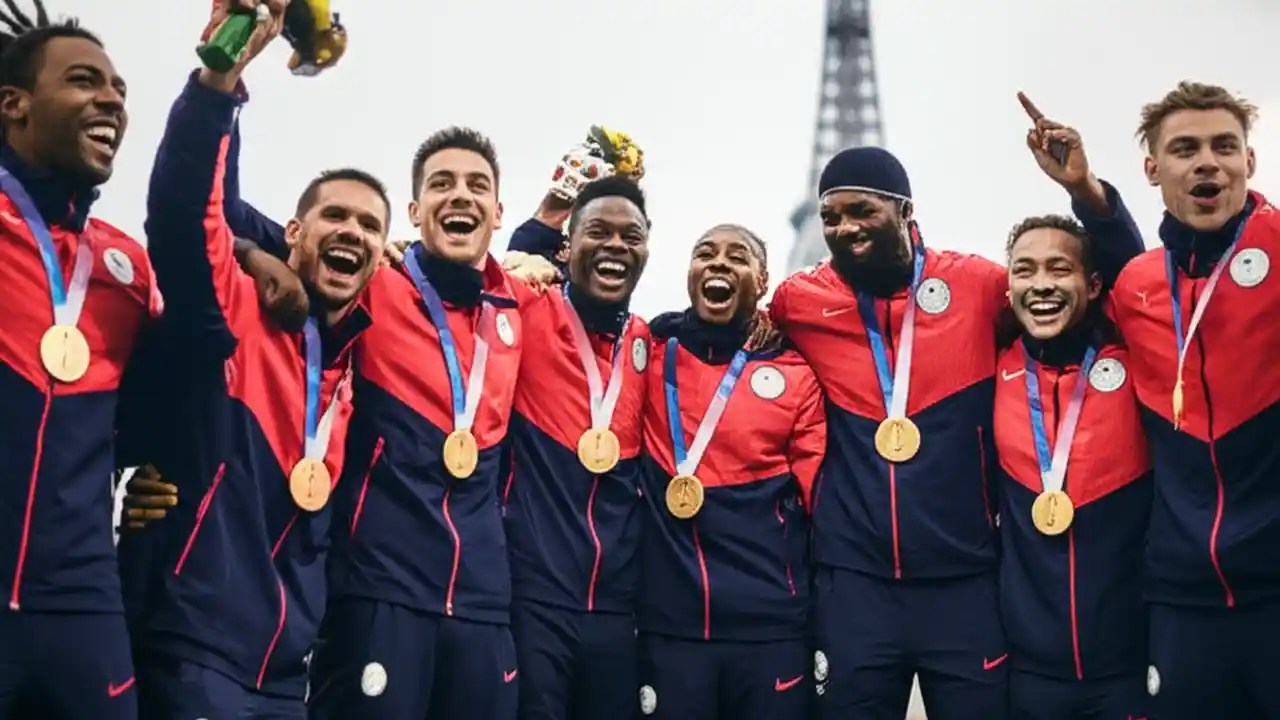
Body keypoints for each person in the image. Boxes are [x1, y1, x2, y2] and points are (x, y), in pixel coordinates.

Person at [766, 95, 1143, 718]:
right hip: (855, 585)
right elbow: (724, 338)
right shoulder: (799, 302)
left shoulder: (978, 286)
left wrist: (1088, 194)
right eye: (830, 216)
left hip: (964, 584)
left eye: (862, 209)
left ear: (906, 212)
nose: (843, 228)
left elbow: (1123, 296)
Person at [119, 1, 387, 717]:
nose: (352, 233)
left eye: (370, 226)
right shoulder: (242, 309)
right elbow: (187, 212)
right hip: (190, 651)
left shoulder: (358, 366)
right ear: (294, 232)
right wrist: (223, 77)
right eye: (335, 216)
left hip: (285, 675)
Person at [1065, 80, 1280, 719]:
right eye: (1185, 149)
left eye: (1225, 146)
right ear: (1155, 170)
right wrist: (1086, 193)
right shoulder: (1135, 286)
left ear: (1250, 161)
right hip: (1184, 599)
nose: (1207, 161)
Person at [0, 1, 160, 717]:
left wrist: (155, 471)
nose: (111, 101)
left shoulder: (126, 264)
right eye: (85, 81)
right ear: (15, 105)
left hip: (82, 601)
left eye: (120, 89)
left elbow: (172, 400)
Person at [631, 224, 823, 719]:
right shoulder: (649, 354)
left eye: (737, 257)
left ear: (762, 282)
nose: (718, 263)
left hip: (770, 629)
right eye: (704, 254)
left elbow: (819, 500)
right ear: (689, 274)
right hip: (670, 628)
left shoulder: (797, 374)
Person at [499, 174, 653, 720]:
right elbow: (479, 273)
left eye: (631, 236)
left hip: (616, 611)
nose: (615, 246)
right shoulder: (529, 309)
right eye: (598, 232)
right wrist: (532, 240)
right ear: (568, 247)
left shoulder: (651, 345)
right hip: (532, 600)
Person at [996, 214, 1151, 719]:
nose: (1041, 284)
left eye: (1059, 268)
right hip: (1029, 670)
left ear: (1094, 285)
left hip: (1129, 662)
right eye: (1024, 270)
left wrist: (1090, 194)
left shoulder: (1137, 359)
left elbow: (1142, 275)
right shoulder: (990, 367)